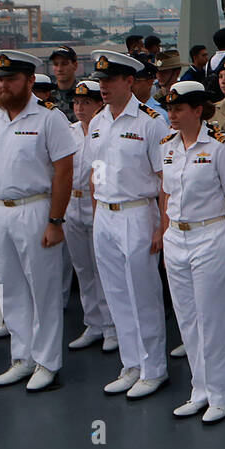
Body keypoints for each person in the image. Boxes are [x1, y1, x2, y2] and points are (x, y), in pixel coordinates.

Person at [0, 50, 77, 391]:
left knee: (43, 289)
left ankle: (47, 362)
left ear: (30, 81)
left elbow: (64, 171)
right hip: (0, 211)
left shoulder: (49, 118)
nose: (2, 85)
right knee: (10, 288)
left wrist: (56, 220)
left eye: (10, 79)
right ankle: (22, 357)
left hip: (35, 209)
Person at [155, 80, 225, 424]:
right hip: (177, 239)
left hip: (212, 236)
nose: (173, 114)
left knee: (216, 320)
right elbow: (166, 195)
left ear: (198, 110)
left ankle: (221, 393)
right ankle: (200, 389)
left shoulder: (220, 147)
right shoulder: (167, 146)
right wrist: (166, 232)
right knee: (188, 320)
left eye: (180, 108)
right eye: (170, 108)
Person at [88, 50, 172, 399]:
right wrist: (97, 214)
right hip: (105, 214)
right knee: (116, 293)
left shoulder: (151, 122)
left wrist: (162, 227)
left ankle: (153, 368)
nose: (103, 87)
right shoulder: (97, 123)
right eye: (100, 81)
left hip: (138, 212)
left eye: (109, 81)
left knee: (143, 293)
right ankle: (131, 364)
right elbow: (96, 172)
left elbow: (166, 177)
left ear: (128, 82)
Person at [62, 81, 116, 353]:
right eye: (76, 102)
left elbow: (102, 169)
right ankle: (93, 323)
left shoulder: (103, 131)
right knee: (82, 267)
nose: (79, 107)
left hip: (96, 201)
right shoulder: (67, 132)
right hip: (72, 203)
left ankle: (110, 326)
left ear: (98, 104)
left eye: (85, 102)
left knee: (101, 267)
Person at [49, 47, 81, 121]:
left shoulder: (84, 93)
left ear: (75, 65)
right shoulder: (48, 94)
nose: (59, 69)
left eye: (64, 64)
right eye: (56, 64)